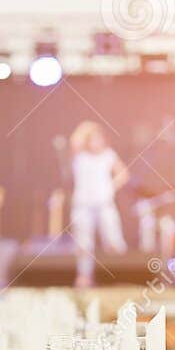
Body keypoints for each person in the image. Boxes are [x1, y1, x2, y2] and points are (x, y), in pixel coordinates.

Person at [69, 121, 128, 287]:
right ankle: (84, 277)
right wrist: (88, 127)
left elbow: (123, 174)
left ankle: (119, 274)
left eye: (98, 139)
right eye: (92, 139)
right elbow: (74, 141)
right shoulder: (80, 156)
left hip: (104, 204)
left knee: (113, 240)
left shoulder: (108, 155)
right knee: (83, 243)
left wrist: (110, 187)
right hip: (83, 205)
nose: (96, 142)